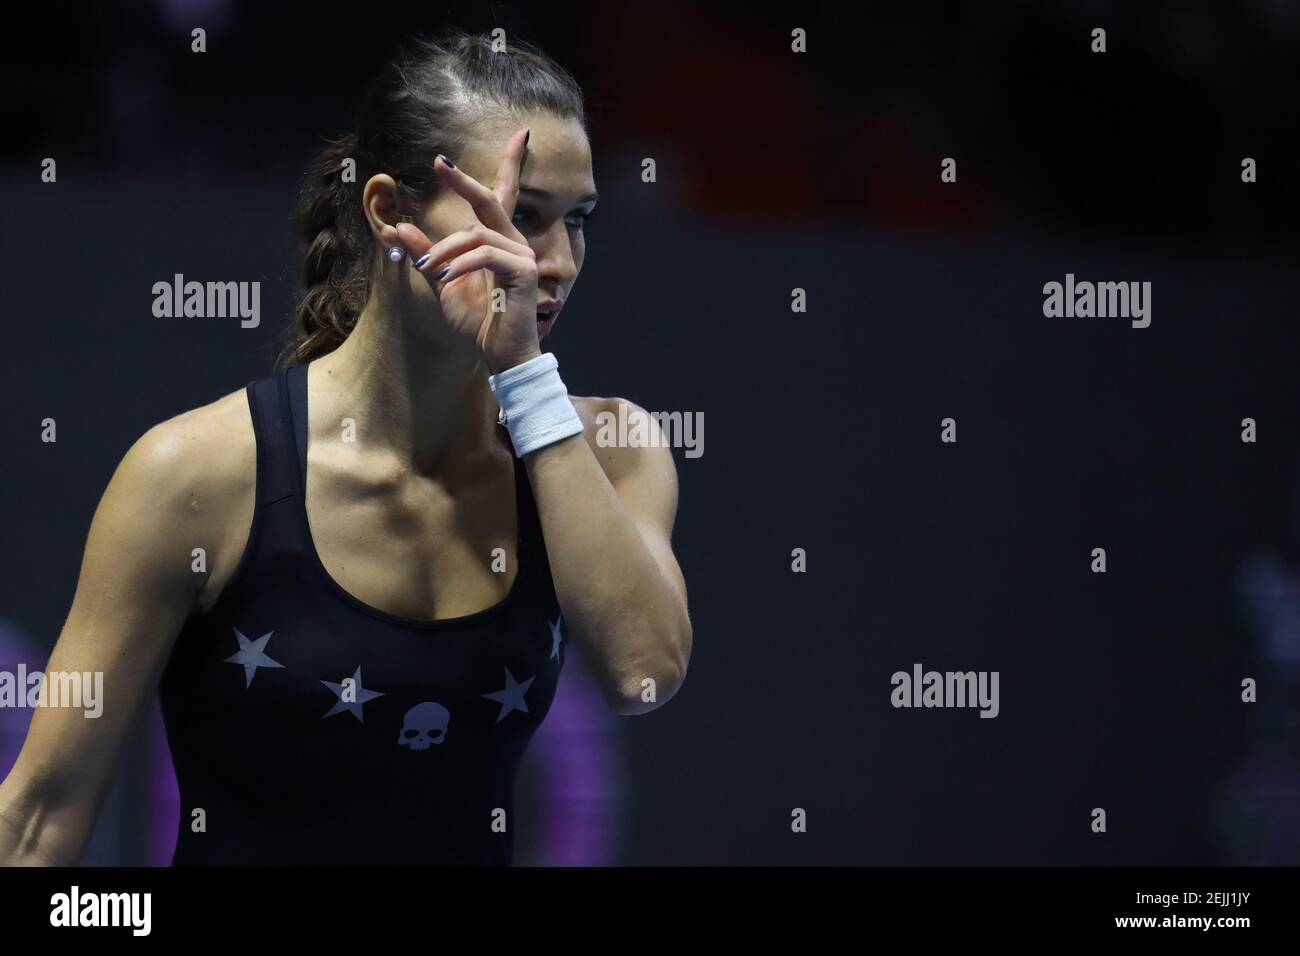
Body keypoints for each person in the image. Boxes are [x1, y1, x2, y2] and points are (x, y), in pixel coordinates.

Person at [0, 30, 691, 865]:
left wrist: (524, 377)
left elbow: (643, 673)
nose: (550, 262)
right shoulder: (196, 475)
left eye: (574, 222)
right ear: (390, 212)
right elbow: (37, 823)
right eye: (518, 215)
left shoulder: (612, 447)